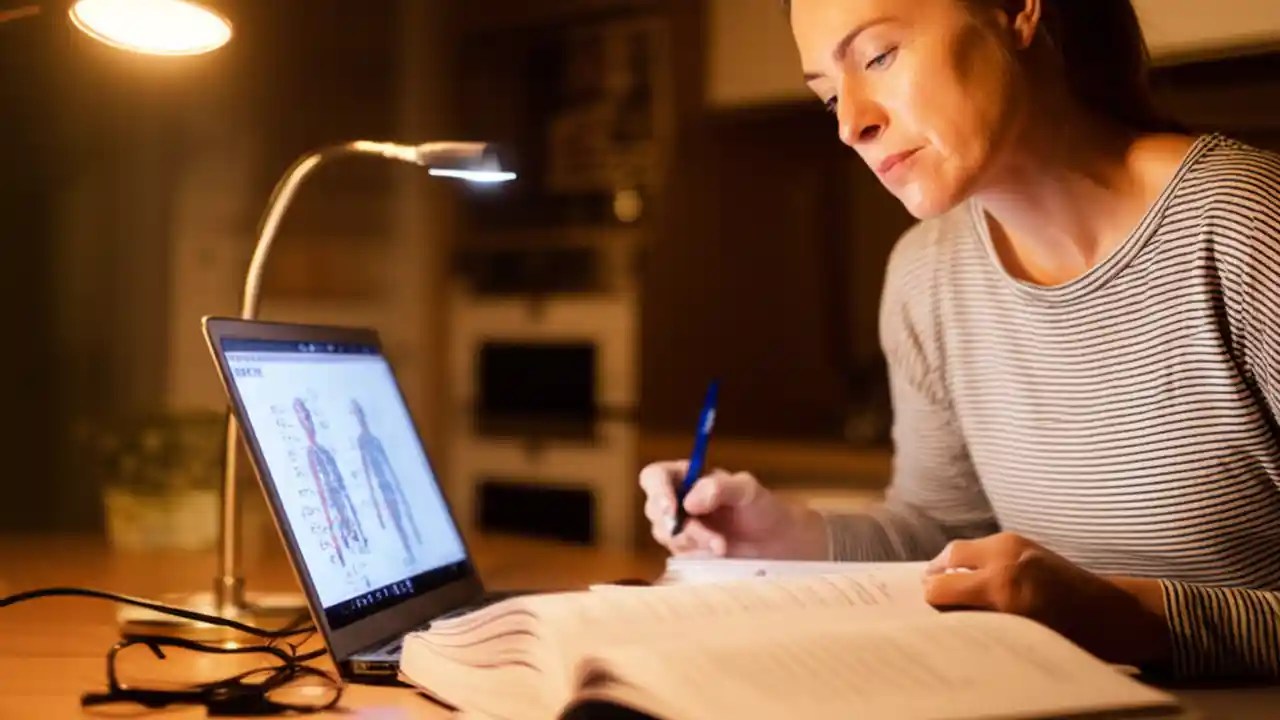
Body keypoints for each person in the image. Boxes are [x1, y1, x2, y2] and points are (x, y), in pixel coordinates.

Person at [639, 0, 1280, 681]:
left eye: (879, 58)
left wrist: (1133, 616)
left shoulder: (1245, 228)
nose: (852, 124)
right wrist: (786, 538)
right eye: (828, 98)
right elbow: (940, 534)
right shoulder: (927, 272)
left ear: (1016, 12)